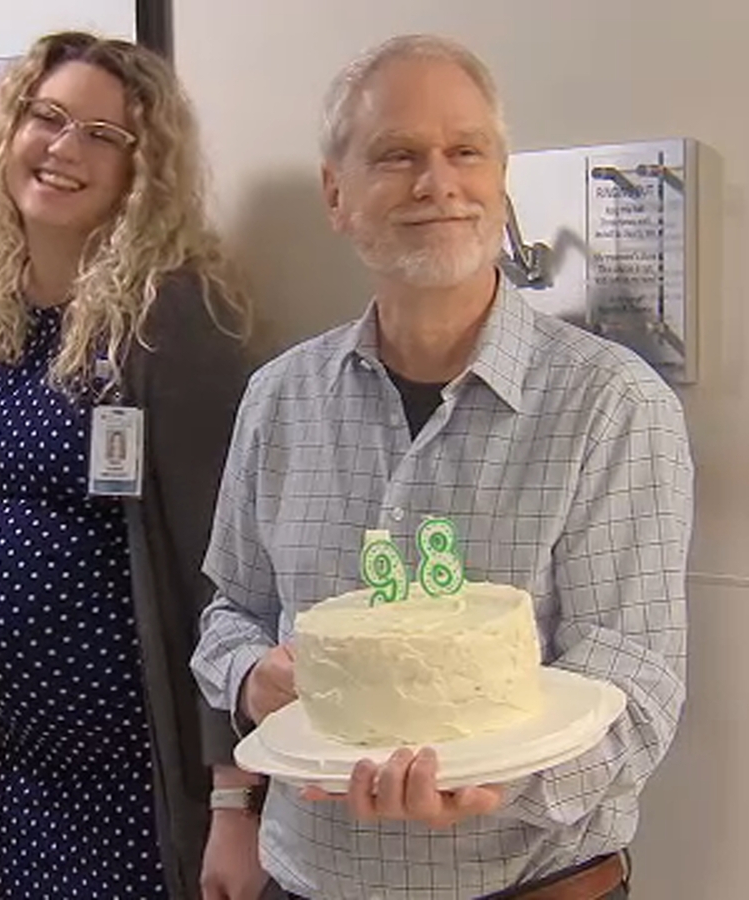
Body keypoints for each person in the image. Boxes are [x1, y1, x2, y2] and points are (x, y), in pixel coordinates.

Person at [190, 34, 695, 900]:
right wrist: (249, 685)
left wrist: (493, 783)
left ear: (500, 182)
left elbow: (634, 692)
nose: (437, 183)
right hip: (306, 879)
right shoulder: (278, 398)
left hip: (530, 884)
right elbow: (230, 613)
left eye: (466, 151)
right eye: (397, 155)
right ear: (335, 193)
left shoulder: (611, 404)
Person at [0, 31, 258, 900]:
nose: (64, 148)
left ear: (139, 169)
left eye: (103, 135)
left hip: (137, 779)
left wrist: (234, 799)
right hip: (14, 770)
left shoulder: (173, 317)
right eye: (48, 117)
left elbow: (220, 572)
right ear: (11, 129)